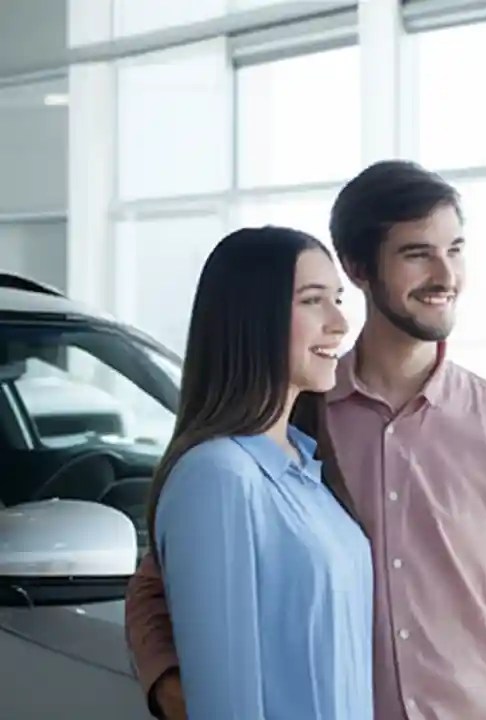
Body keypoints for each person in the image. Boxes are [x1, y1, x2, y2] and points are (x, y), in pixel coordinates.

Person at [126, 161, 486, 720]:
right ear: (359, 267)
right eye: (417, 254)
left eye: (455, 249)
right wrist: (174, 686)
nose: (445, 274)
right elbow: (160, 583)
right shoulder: (293, 416)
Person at [143, 226, 372, 720]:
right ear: (252, 319)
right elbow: (226, 703)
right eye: (314, 301)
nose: (339, 322)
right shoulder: (218, 478)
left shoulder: (306, 465)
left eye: (337, 298)